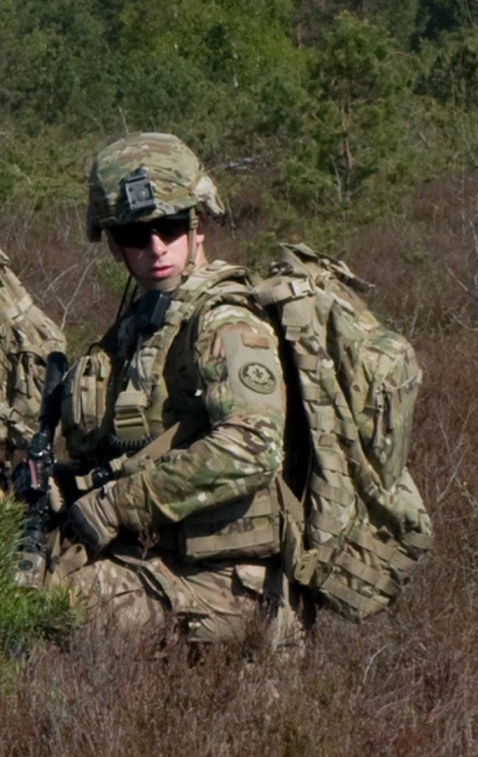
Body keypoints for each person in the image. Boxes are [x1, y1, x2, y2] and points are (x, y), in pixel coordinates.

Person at [44, 133, 307, 647]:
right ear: (115, 243)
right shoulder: (141, 326)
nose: (155, 248)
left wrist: (115, 505)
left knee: (46, 607)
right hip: (165, 558)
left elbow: (252, 448)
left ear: (199, 225)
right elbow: (140, 448)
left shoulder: (225, 321)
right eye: (135, 235)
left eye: (168, 227)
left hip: (234, 580)